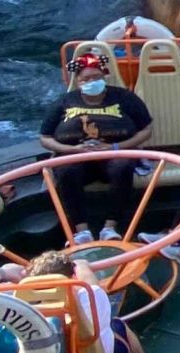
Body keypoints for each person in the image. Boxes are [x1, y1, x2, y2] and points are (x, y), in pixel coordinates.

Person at [38, 50, 153, 236]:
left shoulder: (125, 98)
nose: (92, 81)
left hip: (114, 154)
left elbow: (147, 129)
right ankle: (81, 231)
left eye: (97, 76)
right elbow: (45, 138)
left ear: (104, 76)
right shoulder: (64, 101)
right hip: (76, 156)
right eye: (87, 78)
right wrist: (71, 149)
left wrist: (116, 147)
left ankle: (110, 227)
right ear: (77, 81)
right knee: (67, 170)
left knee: (122, 167)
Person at [25, 247, 146, 353]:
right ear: (73, 277)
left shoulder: (25, 311)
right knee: (118, 325)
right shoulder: (90, 298)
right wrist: (80, 265)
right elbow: (89, 280)